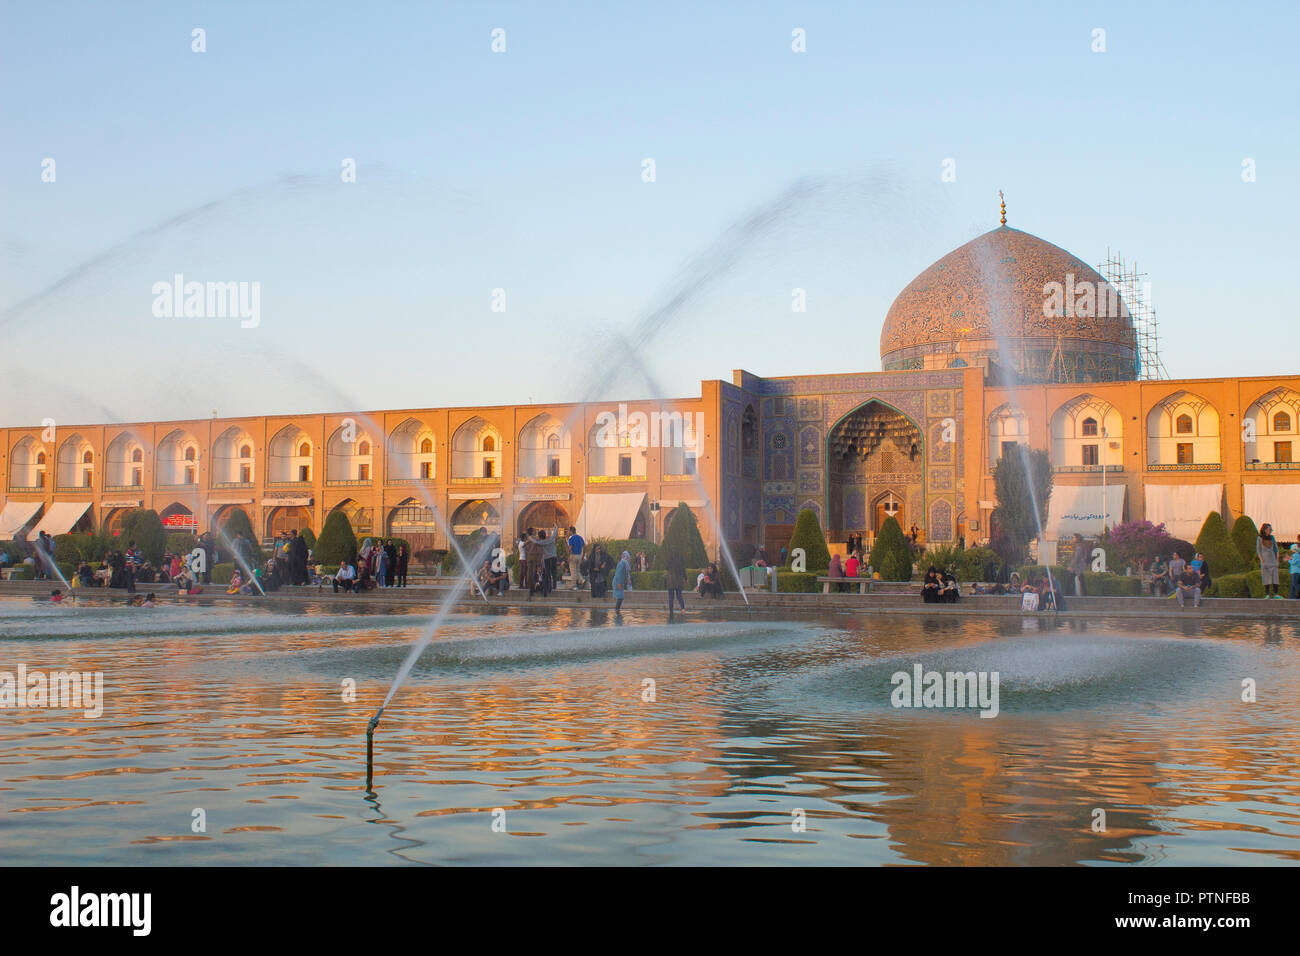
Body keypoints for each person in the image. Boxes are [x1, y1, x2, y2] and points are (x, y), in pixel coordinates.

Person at [1258, 523, 1282, 598]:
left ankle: (1276, 594)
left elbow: (1276, 549)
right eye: (1269, 530)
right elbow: (1258, 550)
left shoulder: (1272, 538)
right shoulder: (1259, 538)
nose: (1270, 531)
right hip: (1265, 560)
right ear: (1265, 530)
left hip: (1273, 560)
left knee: (1275, 577)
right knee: (1266, 577)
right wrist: (1262, 560)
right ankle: (1267, 594)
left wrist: (1277, 560)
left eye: (1271, 530)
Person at [665, 543, 687, 620]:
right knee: (679, 595)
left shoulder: (669, 558)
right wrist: (686, 578)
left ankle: (671, 611)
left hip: (671, 580)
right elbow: (683, 569)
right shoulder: (680, 558)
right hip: (679, 580)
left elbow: (667, 568)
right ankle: (683, 609)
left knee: (671, 597)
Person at [566, 526, 586, 592]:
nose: (568, 532)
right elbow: (584, 546)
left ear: (571, 531)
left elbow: (570, 548)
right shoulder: (580, 537)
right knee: (577, 570)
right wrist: (583, 555)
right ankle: (581, 580)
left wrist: (569, 556)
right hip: (579, 555)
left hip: (573, 555)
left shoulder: (571, 538)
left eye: (569, 531)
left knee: (573, 571)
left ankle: (574, 586)